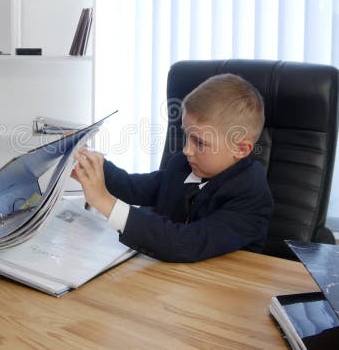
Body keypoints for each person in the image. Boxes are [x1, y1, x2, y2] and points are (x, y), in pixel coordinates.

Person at [71, 73, 273, 262]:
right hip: (168, 279)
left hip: (219, 288)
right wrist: (87, 162)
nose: (186, 150)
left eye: (200, 143)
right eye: (187, 136)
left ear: (241, 149)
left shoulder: (251, 197)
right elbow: (132, 187)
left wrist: (104, 201)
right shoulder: (182, 166)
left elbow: (184, 243)